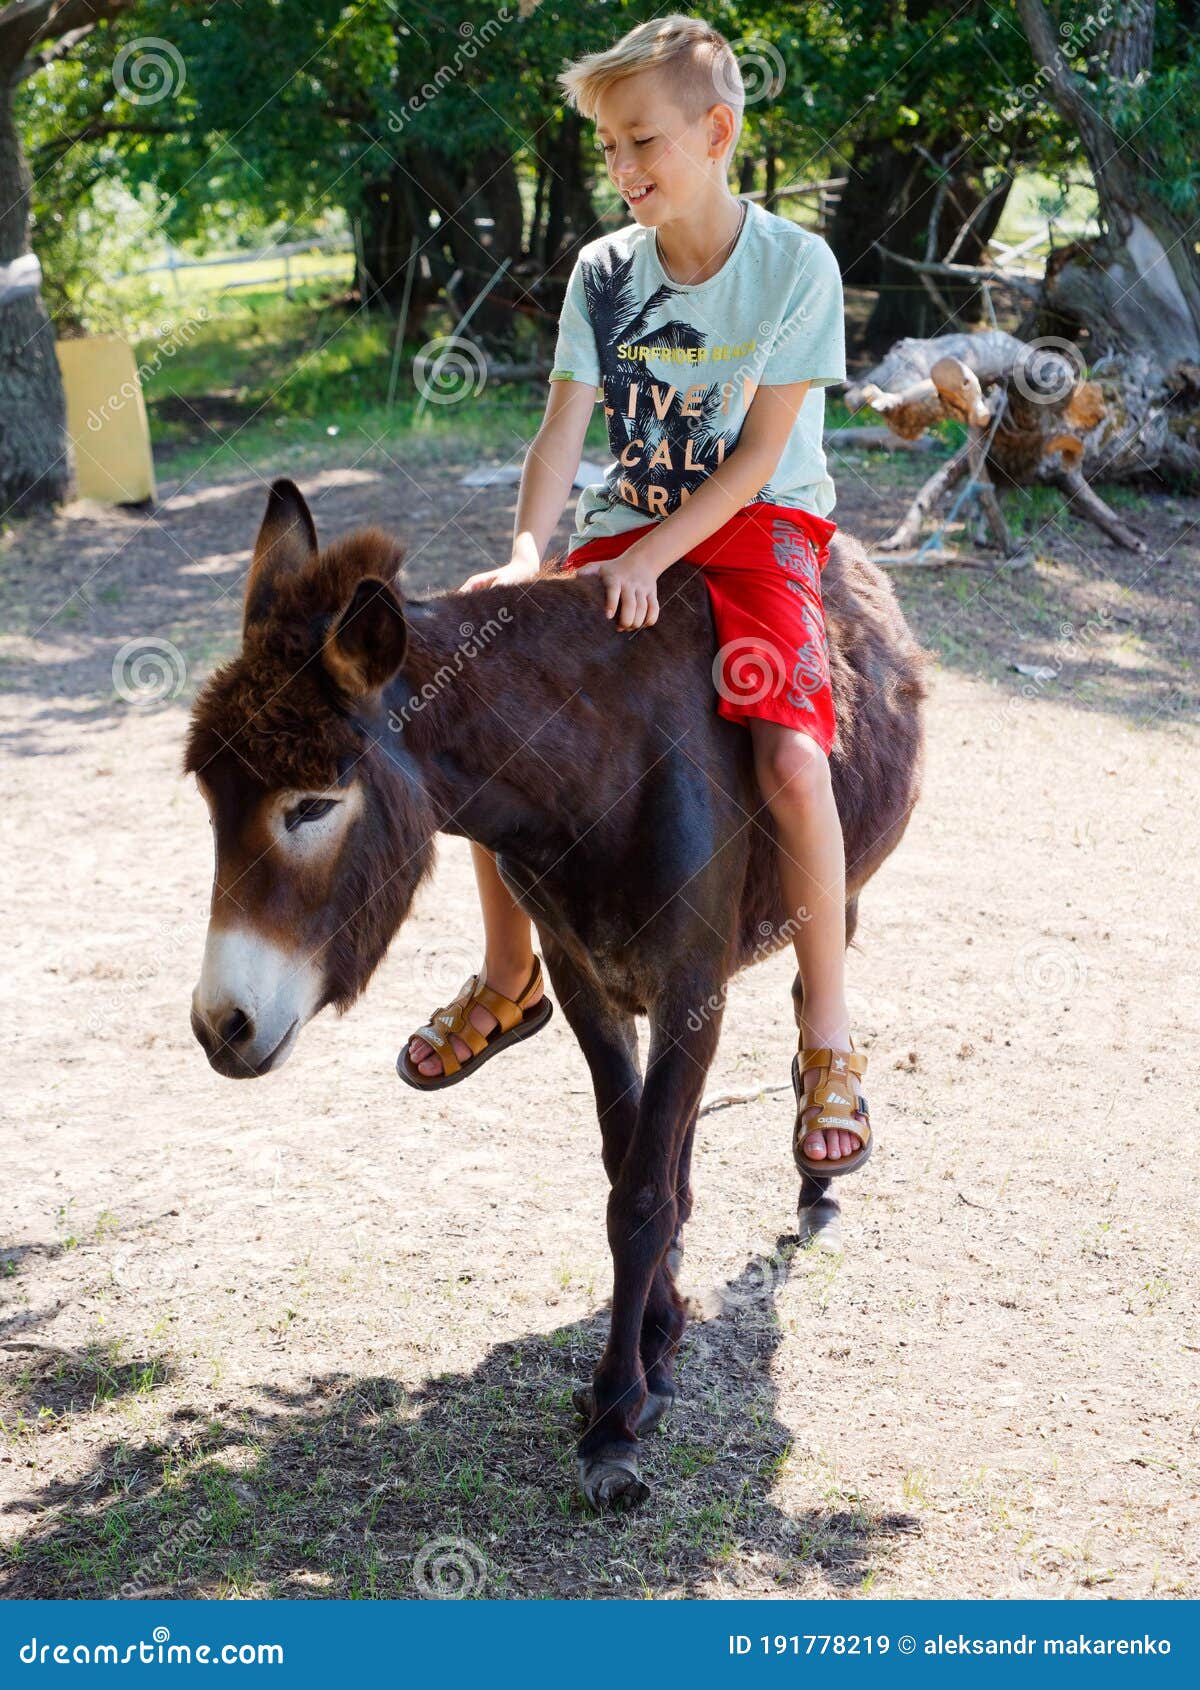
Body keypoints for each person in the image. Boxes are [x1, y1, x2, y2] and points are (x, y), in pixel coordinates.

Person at [399, 13, 871, 1177]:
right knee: (485, 696)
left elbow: (763, 457)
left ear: (717, 133)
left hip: (760, 529)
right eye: (608, 147)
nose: (621, 170)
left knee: (794, 761)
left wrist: (656, 559)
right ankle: (512, 982)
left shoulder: (794, 267)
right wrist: (524, 551)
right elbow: (562, 433)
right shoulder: (604, 273)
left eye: (641, 142)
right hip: (624, 529)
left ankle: (828, 1039)